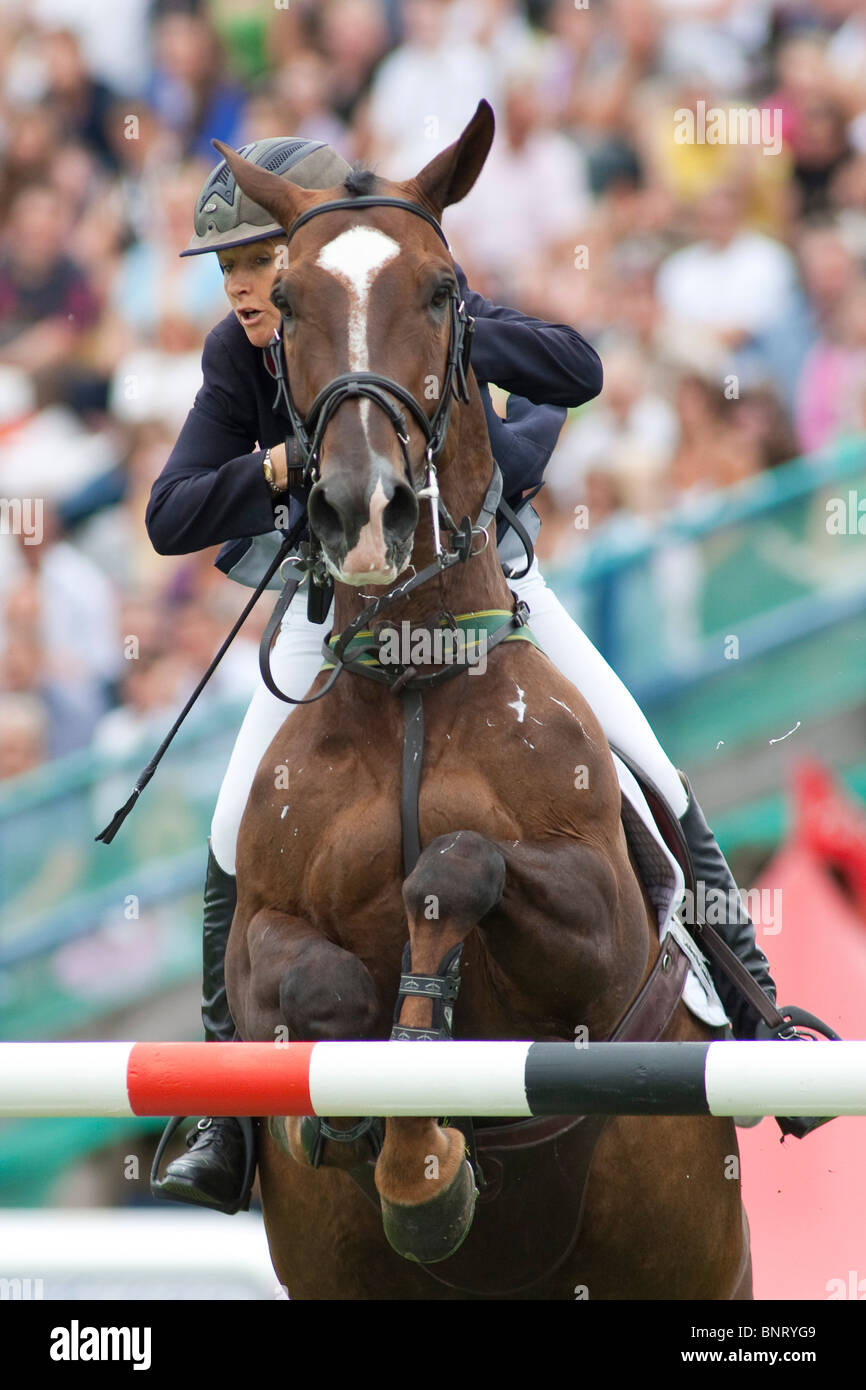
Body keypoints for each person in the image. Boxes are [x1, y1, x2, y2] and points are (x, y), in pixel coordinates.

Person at [145, 137, 814, 1215]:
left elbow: (577, 372)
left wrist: (442, 312)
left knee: (648, 760)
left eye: (256, 261)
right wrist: (281, 464)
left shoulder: (408, 289)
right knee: (229, 828)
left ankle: (755, 1011)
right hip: (333, 606)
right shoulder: (239, 354)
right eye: (227, 269)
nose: (240, 288)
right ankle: (224, 1106)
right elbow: (169, 515)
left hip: (486, 585)